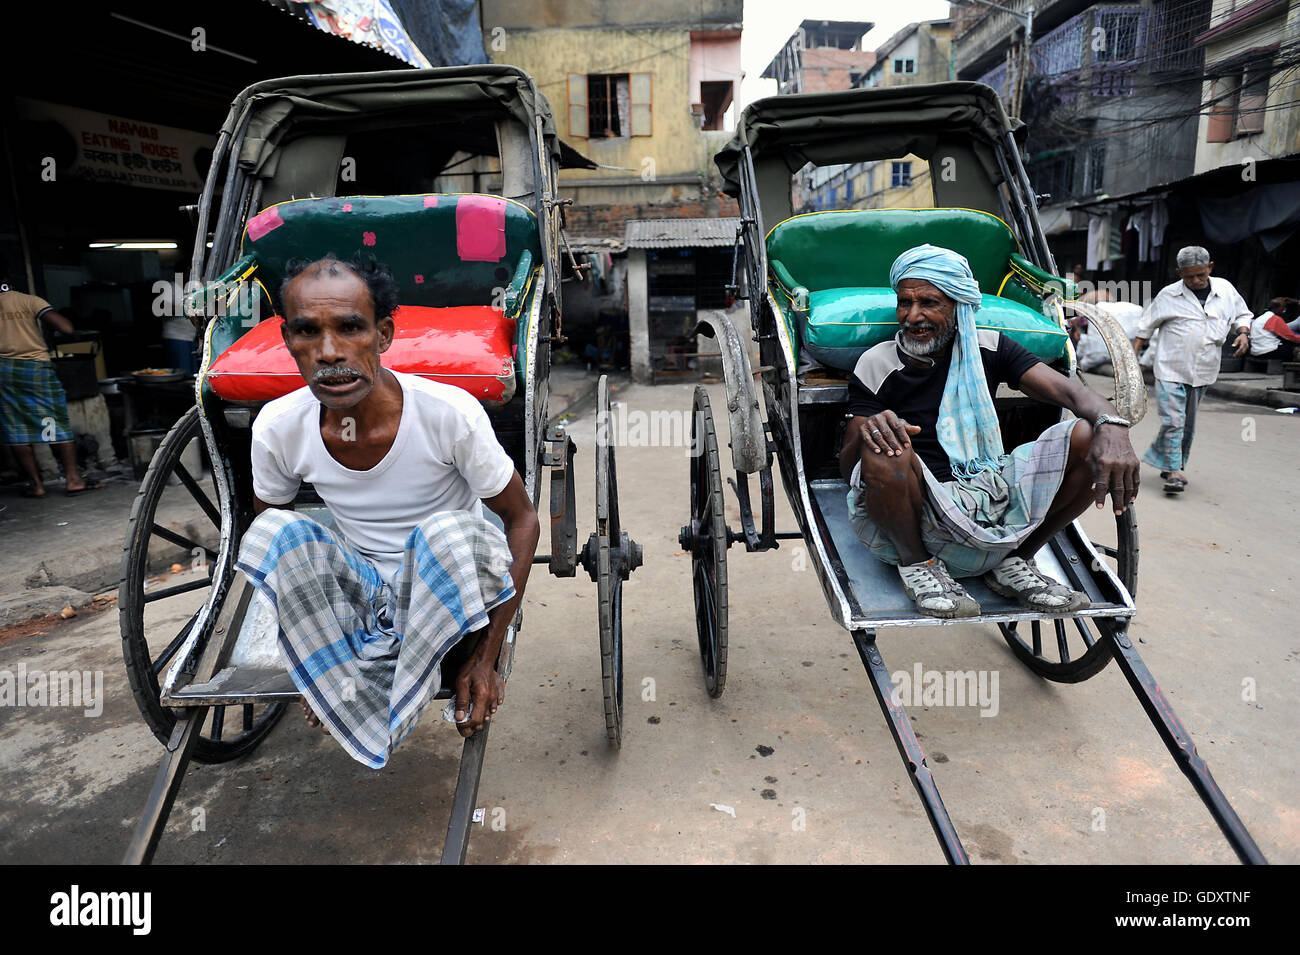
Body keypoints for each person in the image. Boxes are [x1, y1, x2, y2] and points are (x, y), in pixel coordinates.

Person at [234, 255, 540, 767]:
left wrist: (488, 657)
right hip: (365, 601)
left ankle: (368, 688)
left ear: (383, 335)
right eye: (308, 332)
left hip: (450, 594)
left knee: (447, 532)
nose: (329, 352)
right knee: (273, 533)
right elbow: (278, 551)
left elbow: (522, 519)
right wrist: (314, 658)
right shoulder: (278, 426)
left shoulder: (447, 413)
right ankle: (339, 671)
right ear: (288, 341)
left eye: (351, 327)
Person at [841, 245, 1139, 620]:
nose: (912, 316)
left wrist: (1111, 425)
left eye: (929, 303)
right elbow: (848, 465)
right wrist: (872, 429)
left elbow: (1071, 393)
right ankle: (919, 567)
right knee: (888, 448)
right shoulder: (877, 362)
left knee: (1087, 433)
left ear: (958, 306)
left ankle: (1015, 561)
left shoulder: (991, 347)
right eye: (905, 303)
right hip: (918, 509)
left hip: (992, 492)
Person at [1132, 246, 1252, 494]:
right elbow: (1144, 328)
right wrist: (1130, 361)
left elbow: (1243, 314)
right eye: (1188, 276)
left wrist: (1243, 334)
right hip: (1170, 368)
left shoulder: (1225, 290)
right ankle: (1175, 473)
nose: (1195, 281)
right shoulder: (1168, 295)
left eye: (1200, 275)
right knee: (1174, 420)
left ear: (1210, 268)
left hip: (1204, 369)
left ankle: (1166, 461)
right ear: (1179, 273)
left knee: (1187, 423)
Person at [0, 255, 98, 497]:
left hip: (4, 371)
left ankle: (37, 485)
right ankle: (73, 480)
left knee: (16, 428)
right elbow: (66, 328)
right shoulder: (29, 300)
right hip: (37, 368)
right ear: (8, 275)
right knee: (56, 422)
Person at [1249, 296, 1300, 363]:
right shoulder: (1275, 319)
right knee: (1294, 349)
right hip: (1269, 351)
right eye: (1283, 307)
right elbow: (1290, 337)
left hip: (1255, 351)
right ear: (1276, 308)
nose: (1284, 310)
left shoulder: (1260, 319)